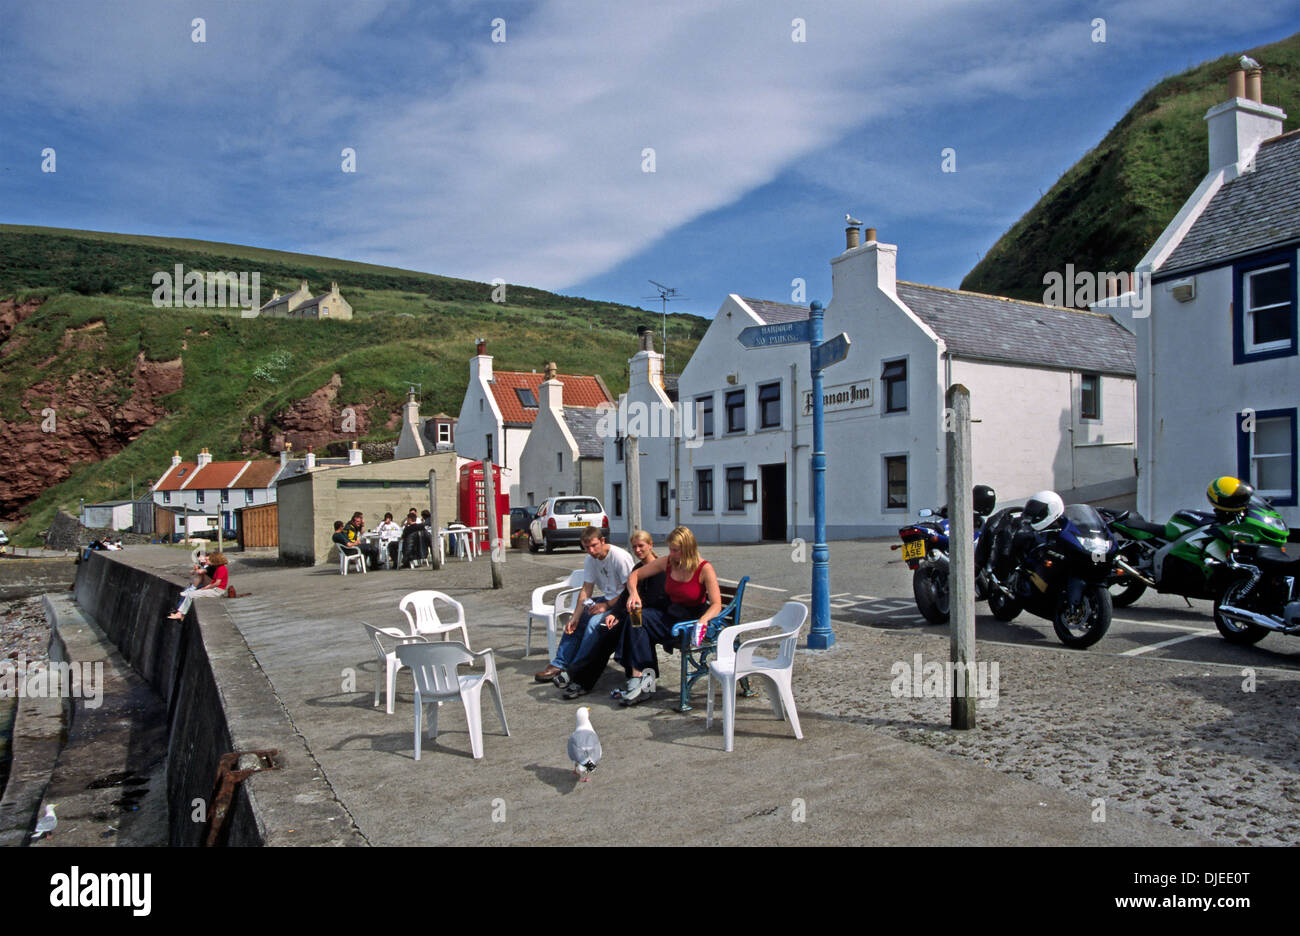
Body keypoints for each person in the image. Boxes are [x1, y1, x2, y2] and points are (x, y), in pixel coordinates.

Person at [560, 530, 668, 700]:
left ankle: (639, 680)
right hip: (637, 614)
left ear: (650, 545)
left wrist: (623, 611)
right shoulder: (638, 569)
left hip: (655, 617)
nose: (638, 550)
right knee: (607, 631)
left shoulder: (660, 568)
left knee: (630, 627)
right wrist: (616, 614)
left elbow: (654, 599)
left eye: (641, 546)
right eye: (635, 547)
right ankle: (581, 679)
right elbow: (627, 594)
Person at [620, 525, 721, 706]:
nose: (672, 554)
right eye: (670, 550)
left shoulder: (704, 568)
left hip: (691, 621)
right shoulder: (668, 562)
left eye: (675, 550)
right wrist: (634, 593)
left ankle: (643, 681)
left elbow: (716, 604)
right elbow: (635, 575)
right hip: (671, 615)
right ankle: (641, 677)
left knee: (642, 626)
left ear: (687, 548)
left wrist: (703, 620)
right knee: (636, 619)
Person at [533, 526, 634, 686]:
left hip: (621, 606)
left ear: (602, 541)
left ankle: (578, 668)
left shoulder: (619, 557)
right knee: (576, 622)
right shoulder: (590, 559)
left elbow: (629, 591)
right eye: (587, 547)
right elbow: (586, 589)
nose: (591, 550)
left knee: (593, 625)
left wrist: (606, 605)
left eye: (594, 545)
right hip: (606, 600)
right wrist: (575, 617)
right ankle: (559, 663)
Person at [167, 552, 229, 619]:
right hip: (215, 589)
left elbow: (217, 583)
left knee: (190, 595)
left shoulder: (221, 568)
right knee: (190, 594)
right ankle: (180, 613)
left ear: (215, 560)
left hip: (217, 590)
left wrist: (205, 588)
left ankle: (180, 614)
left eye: (209, 559)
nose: (206, 560)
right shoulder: (219, 567)